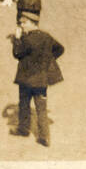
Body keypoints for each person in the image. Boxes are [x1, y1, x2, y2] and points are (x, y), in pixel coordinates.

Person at [11, 16, 65, 147]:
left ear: (32, 23)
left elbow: (17, 53)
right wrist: (47, 60)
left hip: (26, 79)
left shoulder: (26, 39)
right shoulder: (46, 36)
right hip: (41, 79)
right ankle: (44, 137)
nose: (22, 25)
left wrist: (17, 39)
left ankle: (23, 129)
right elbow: (60, 49)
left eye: (24, 23)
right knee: (41, 108)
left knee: (24, 103)